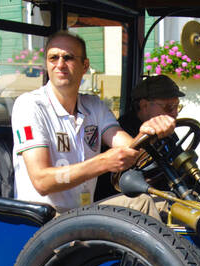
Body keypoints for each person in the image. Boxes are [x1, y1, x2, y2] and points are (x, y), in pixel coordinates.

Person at [11, 30, 174, 213]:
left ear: (85, 65)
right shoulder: (30, 106)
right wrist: (104, 162)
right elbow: (42, 181)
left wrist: (148, 131)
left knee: (155, 204)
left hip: (81, 213)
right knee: (141, 207)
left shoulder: (93, 105)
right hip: (45, 221)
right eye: (53, 58)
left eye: (68, 57)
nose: (60, 65)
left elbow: (130, 149)